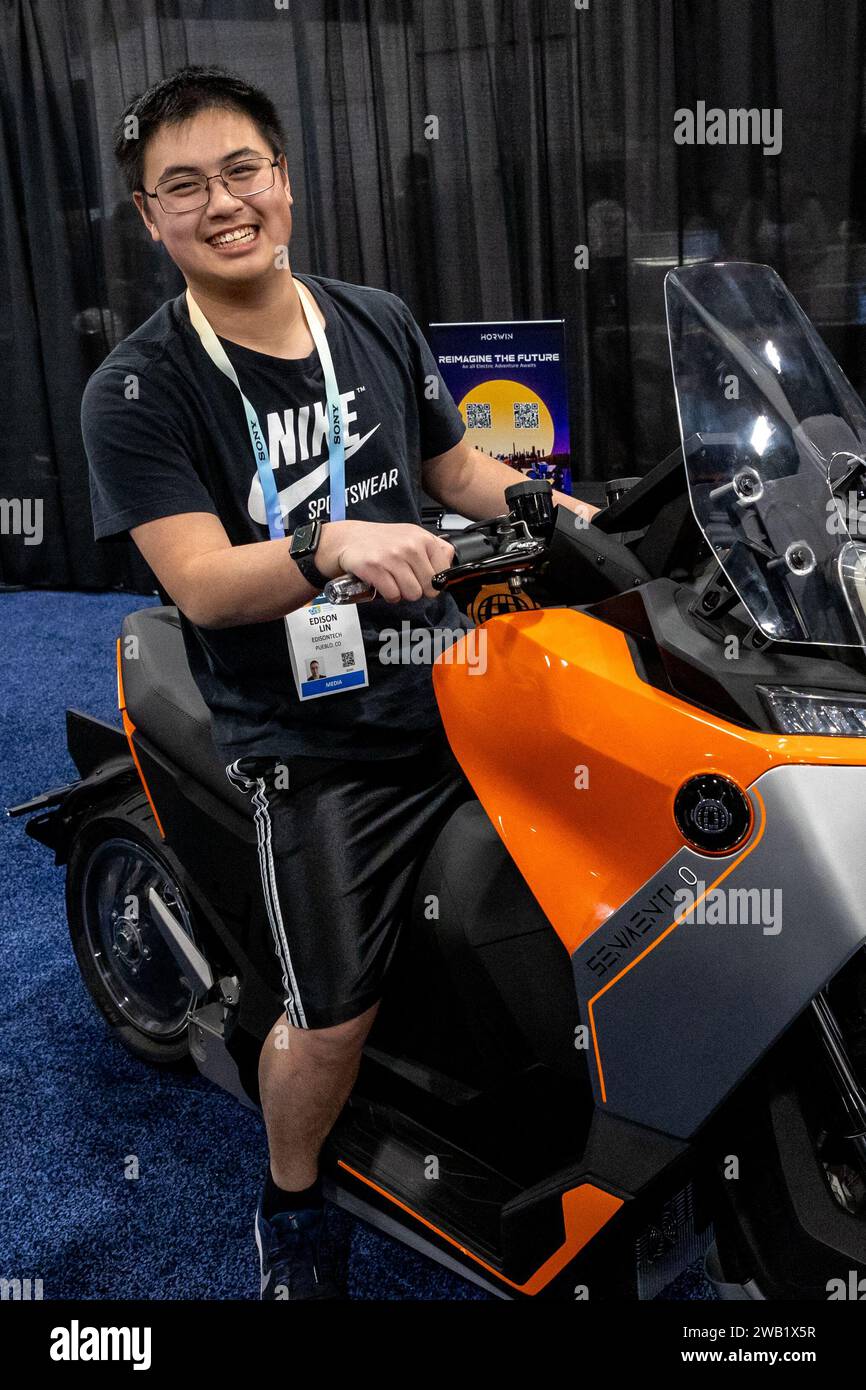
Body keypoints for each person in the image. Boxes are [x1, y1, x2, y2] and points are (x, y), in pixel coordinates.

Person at [81, 65, 597, 1301]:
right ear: (151, 220)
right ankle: (296, 1205)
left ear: (286, 183)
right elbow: (200, 583)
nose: (221, 202)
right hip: (311, 743)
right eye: (183, 187)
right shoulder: (138, 392)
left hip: (459, 681)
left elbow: (457, 469)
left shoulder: (371, 315)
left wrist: (594, 522)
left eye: (241, 171)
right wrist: (327, 543)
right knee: (330, 1013)